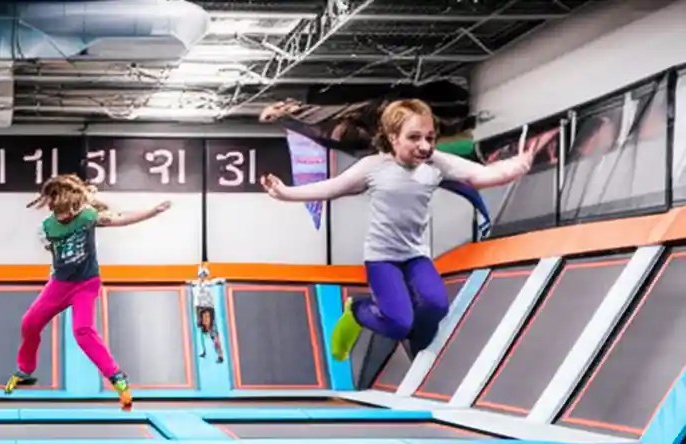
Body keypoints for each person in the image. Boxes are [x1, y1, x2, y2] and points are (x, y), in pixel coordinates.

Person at [260, 99, 557, 362]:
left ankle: (417, 350)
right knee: (398, 322)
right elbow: (330, 189)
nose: (425, 146)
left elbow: (480, 175)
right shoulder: (373, 167)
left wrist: (516, 166)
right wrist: (285, 193)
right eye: (414, 138)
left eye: (430, 137)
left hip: (416, 255)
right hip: (382, 258)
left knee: (436, 306)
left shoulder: (436, 164)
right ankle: (357, 312)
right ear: (393, 138)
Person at [6, 174, 171, 410]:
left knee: (82, 330)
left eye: (70, 211)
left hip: (86, 284)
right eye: (60, 213)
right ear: (52, 207)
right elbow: (52, 251)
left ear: (74, 206)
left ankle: (117, 377)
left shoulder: (88, 217)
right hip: (59, 285)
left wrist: (152, 212)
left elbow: (120, 219)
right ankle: (25, 370)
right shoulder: (46, 228)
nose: (66, 216)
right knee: (29, 322)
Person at [261, 93, 493, 239]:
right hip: (371, 140)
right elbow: (335, 185)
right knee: (443, 168)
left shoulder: (335, 125)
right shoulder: (339, 134)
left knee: (443, 164)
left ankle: (471, 148)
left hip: (373, 133)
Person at [188, 264, 224, 363]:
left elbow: (218, 281)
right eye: (201, 274)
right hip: (200, 308)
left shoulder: (208, 283)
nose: (202, 276)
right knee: (201, 330)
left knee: (212, 332)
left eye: (203, 274)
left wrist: (220, 281)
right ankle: (204, 350)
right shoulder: (195, 284)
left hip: (207, 308)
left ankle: (219, 354)